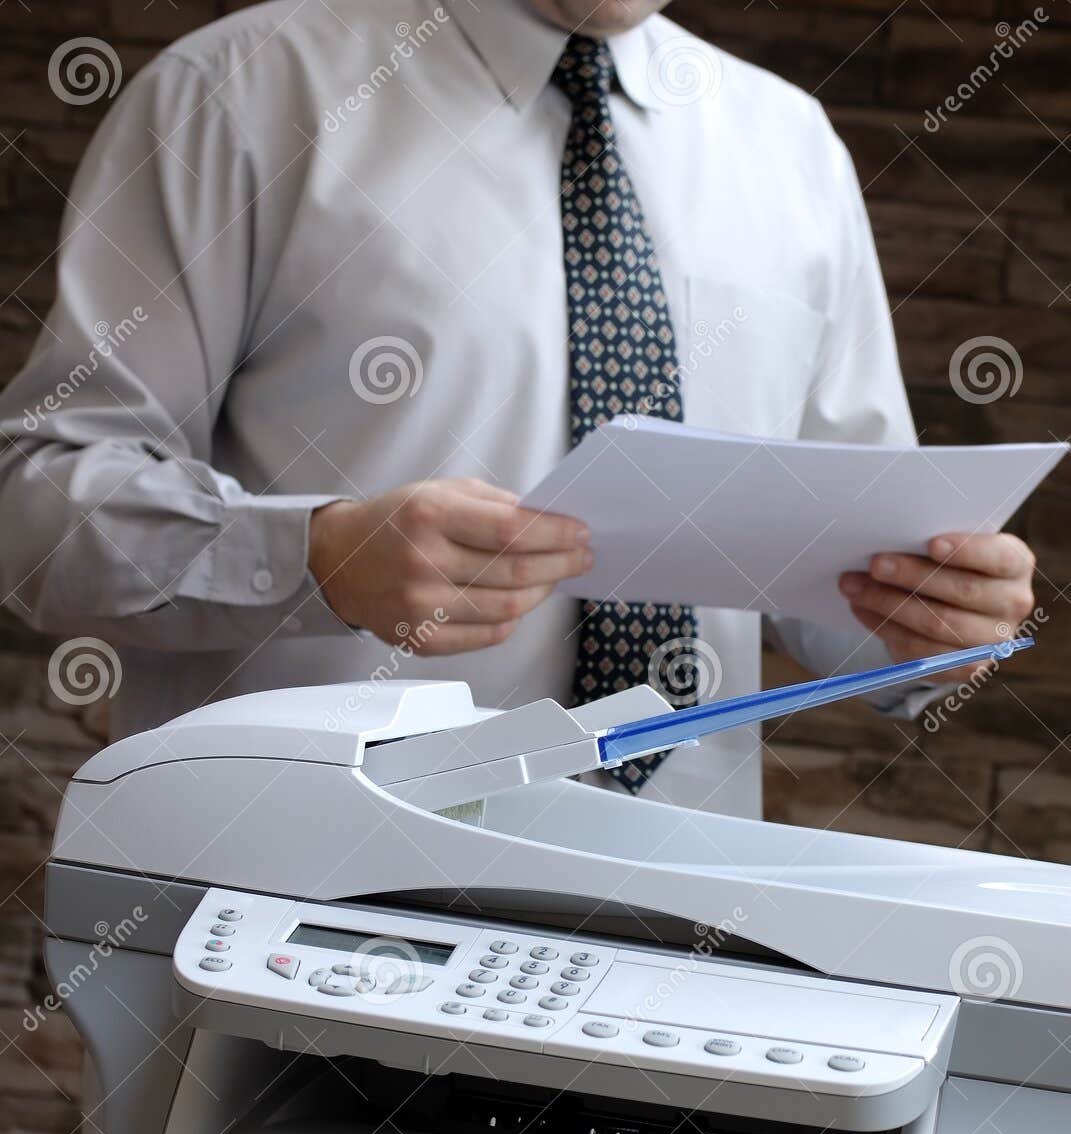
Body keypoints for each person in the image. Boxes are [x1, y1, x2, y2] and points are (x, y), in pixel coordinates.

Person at [0, 0, 1035, 813]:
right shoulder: (234, 97)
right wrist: (312, 555)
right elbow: (33, 510)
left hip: (680, 916)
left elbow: (840, 582)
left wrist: (927, 626)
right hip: (296, 898)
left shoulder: (793, 148)